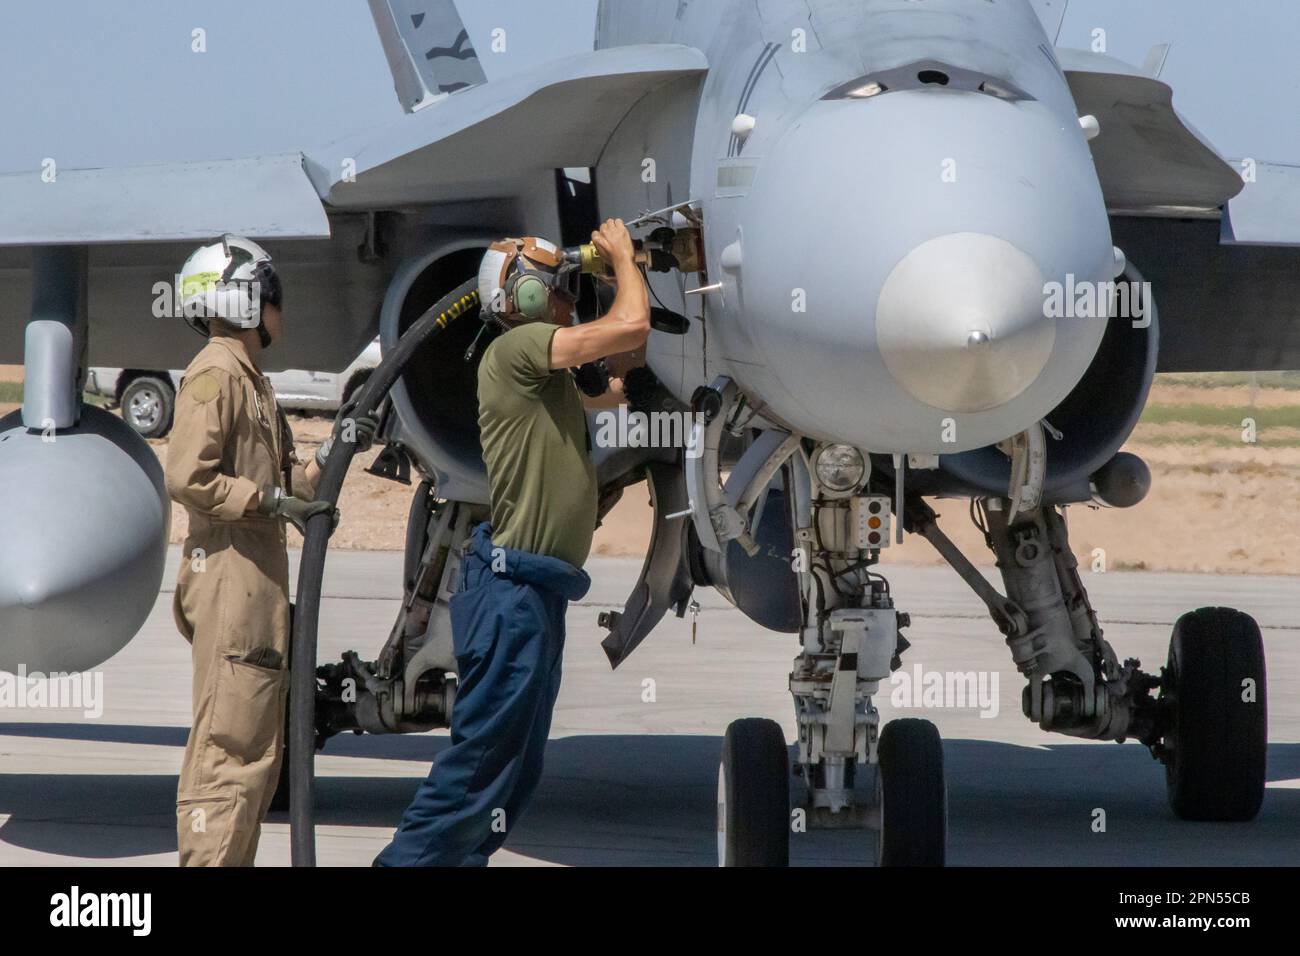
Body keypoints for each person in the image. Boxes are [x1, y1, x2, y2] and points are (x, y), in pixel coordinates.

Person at [376, 220, 650, 866]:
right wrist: (624, 262)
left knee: (512, 771)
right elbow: (628, 329)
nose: (565, 297)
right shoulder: (518, 349)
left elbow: (613, 383)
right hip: (510, 594)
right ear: (524, 298)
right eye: (557, 288)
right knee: (478, 765)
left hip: (533, 592)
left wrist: (625, 310)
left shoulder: (542, 371)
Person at [165, 235, 373, 866]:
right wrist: (268, 503)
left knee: (256, 760)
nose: (280, 307)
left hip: (256, 588)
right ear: (245, 299)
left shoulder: (251, 380)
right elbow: (188, 476)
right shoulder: (215, 374)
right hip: (232, 581)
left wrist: (337, 446)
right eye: (271, 293)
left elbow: (288, 486)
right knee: (228, 754)